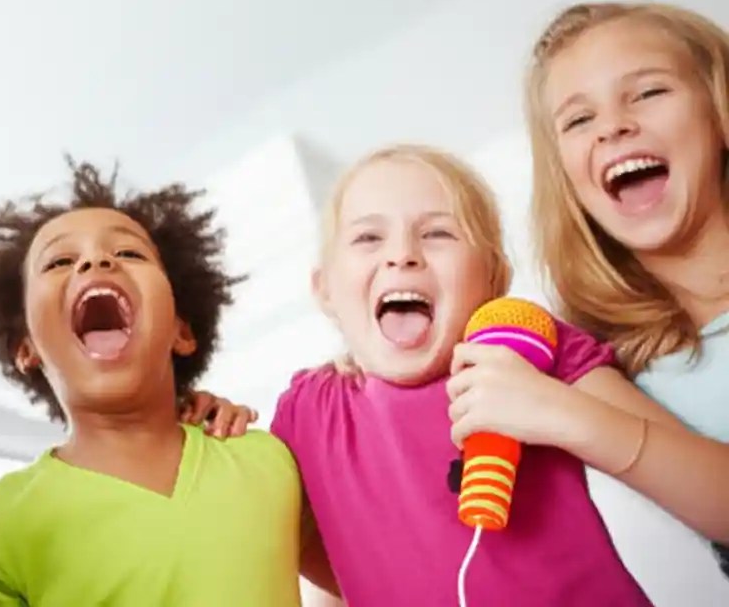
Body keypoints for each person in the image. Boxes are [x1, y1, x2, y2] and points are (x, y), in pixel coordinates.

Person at [272, 144, 653, 605]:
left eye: (437, 233)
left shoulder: (529, 349)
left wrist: (562, 412)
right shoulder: (309, 411)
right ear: (325, 289)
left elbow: (690, 472)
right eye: (368, 238)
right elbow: (293, 543)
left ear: (495, 279)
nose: (402, 256)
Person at [0, 160, 307, 606]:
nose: (96, 260)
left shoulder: (268, 460)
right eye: (60, 260)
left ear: (182, 329)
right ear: (26, 346)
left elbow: (365, 577)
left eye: (129, 254)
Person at [522, 1, 729, 576]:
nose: (613, 126)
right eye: (578, 120)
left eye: (647, 93)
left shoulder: (577, 400)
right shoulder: (591, 360)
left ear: (719, 110)